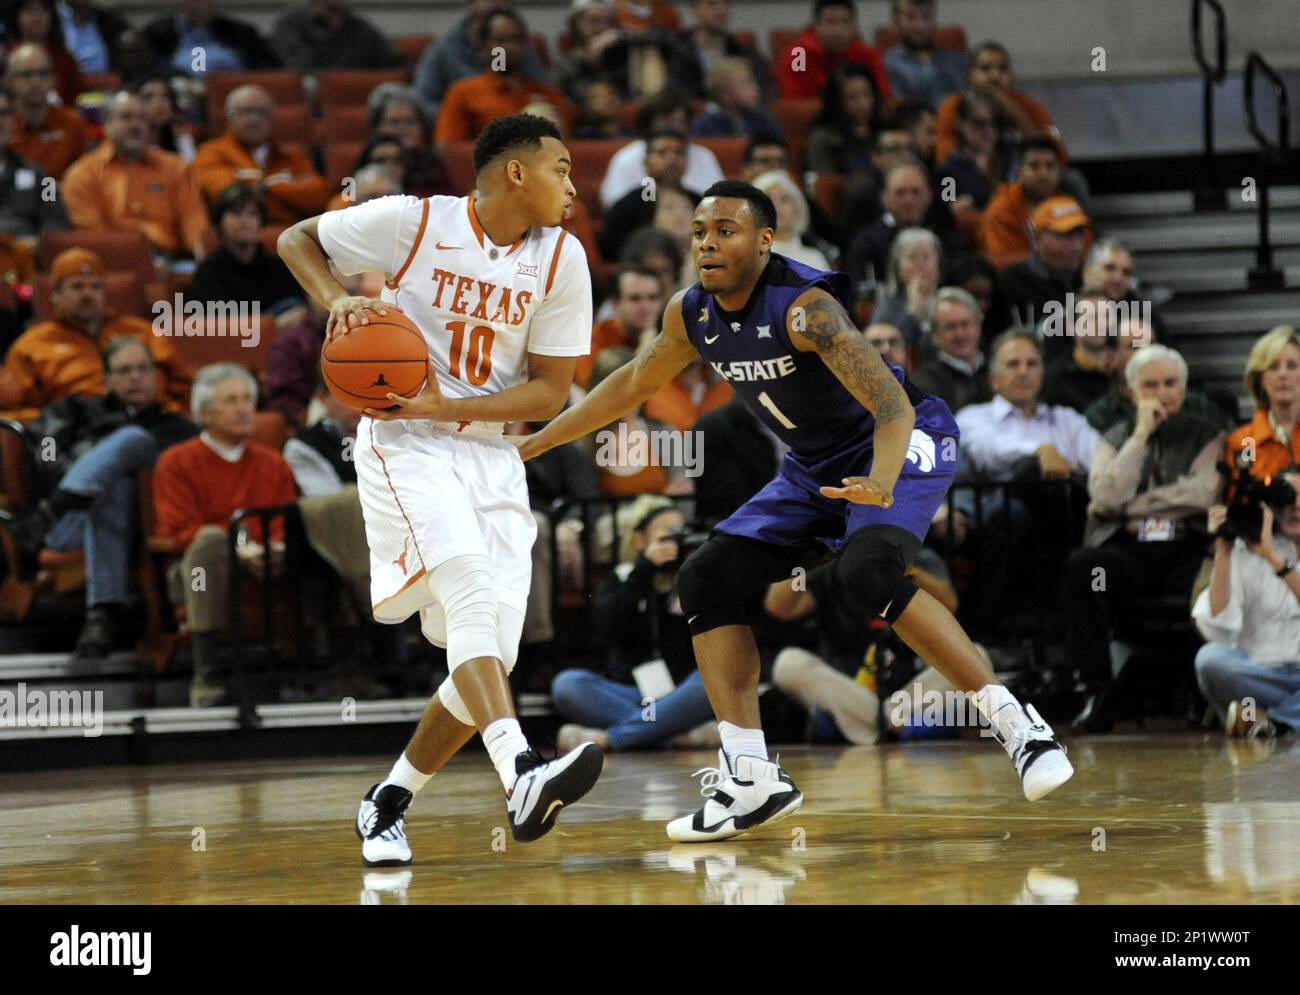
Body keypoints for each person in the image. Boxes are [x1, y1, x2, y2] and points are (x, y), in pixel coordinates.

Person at [514, 179, 1073, 842]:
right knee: (705, 578)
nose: (707, 243)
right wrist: (534, 442)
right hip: (814, 465)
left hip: (904, 437)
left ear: (764, 241)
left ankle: (1019, 725)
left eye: (725, 230)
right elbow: (632, 383)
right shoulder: (689, 313)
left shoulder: (807, 311)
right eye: (698, 232)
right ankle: (750, 775)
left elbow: (891, 409)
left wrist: (879, 482)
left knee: (868, 570)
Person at [277, 114, 605, 861]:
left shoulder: (563, 259)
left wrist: (449, 405)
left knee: (490, 649)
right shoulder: (413, 222)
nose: (572, 186)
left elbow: (550, 393)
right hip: (404, 439)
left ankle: (387, 800)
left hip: (490, 453)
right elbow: (294, 238)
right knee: (461, 578)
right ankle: (521, 770)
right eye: (561, 169)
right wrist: (339, 301)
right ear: (515, 172)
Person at [0, 337, 198, 655]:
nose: (135, 377)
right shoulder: (75, 410)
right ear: (106, 380)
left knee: (127, 460)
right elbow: (43, 451)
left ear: (157, 376)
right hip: (71, 524)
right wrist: (75, 472)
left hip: (144, 527)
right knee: (123, 461)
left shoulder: (180, 429)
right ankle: (100, 615)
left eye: (143, 369)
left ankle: (101, 618)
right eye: (124, 370)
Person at [1066, 344, 1223, 732]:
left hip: (1187, 546)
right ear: (1132, 391)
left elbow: (1203, 494)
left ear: (1184, 389)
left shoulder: (1207, 435)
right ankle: (1097, 691)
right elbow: (1103, 497)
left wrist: (1129, 504)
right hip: (1127, 551)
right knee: (1084, 568)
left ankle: (1201, 694)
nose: (1161, 392)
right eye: (1150, 384)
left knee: (1216, 573)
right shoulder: (1114, 437)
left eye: (1170, 383)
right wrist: (1139, 435)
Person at [152, 363, 298, 706]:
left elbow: (286, 518)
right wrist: (241, 544)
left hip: (264, 563)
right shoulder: (176, 461)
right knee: (208, 540)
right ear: (205, 412)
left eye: (248, 399)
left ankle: (334, 667)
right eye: (231, 400)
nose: (244, 407)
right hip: (197, 569)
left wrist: (273, 547)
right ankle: (207, 671)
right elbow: (178, 529)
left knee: (317, 529)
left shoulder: (273, 462)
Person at [551, 502, 716, 752]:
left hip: (679, 695)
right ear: (640, 540)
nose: (673, 545)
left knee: (711, 680)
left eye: (680, 537)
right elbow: (607, 626)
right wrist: (645, 569)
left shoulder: (695, 579)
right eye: (666, 537)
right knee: (567, 684)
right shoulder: (623, 576)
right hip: (629, 692)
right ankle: (668, 735)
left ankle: (613, 738)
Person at [0, 248, 191, 421]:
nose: (87, 294)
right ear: (55, 295)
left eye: (95, 287)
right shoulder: (32, 345)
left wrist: (179, 415)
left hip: (154, 422)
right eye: (77, 287)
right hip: (81, 434)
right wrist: (55, 420)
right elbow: (12, 411)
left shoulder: (142, 331)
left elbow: (186, 388)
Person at [1194, 470, 1300, 739]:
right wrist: (1222, 551)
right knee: (1210, 659)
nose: (1296, 507)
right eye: (1288, 499)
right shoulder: (1245, 549)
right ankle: (1286, 716)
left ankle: (1271, 720)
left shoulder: (1268, 553)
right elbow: (1216, 626)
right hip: (1258, 675)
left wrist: (1273, 559)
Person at [61, 91, 210, 263]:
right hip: (111, 264)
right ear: (106, 124)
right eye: (126, 117)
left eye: (142, 118)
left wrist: (204, 262)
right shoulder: (82, 174)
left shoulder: (177, 168)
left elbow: (194, 225)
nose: (135, 125)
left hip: (171, 262)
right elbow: (92, 236)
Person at [956, 331, 1097, 482]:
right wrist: (1039, 451)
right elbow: (987, 451)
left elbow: (1098, 457)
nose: (1023, 372)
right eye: (1013, 364)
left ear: (1041, 376)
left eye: (1032, 364)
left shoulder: (1066, 420)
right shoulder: (972, 417)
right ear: (993, 380)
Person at [192, 85, 332, 227]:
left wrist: (263, 185)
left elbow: (320, 197)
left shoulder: (293, 158)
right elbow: (230, 196)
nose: (254, 119)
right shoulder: (210, 152)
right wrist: (285, 188)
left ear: (273, 118)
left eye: (262, 112)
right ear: (230, 116)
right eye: (246, 111)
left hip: (288, 237)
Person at [434, 10, 573, 145]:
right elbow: (448, 149)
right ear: (483, 46)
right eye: (500, 40)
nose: (509, 47)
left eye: (516, 39)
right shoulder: (463, 93)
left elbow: (571, 150)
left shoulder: (547, 94)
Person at [411, 0, 547, 119]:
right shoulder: (443, 50)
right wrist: (462, 115)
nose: (497, 3)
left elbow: (539, 90)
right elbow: (423, 103)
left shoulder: (517, 48)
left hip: (513, 127)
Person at [599, 91, 725, 209]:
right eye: (667, 121)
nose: (675, 127)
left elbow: (718, 203)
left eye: (680, 121)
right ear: (649, 123)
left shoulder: (703, 156)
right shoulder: (626, 158)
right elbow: (614, 205)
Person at [188, 183, 303, 311]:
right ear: (220, 221)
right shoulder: (209, 272)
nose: (245, 221)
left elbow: (300, 308)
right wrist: (272, 325)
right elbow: (218, 323)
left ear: (261, 221)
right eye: (236, 213)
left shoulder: (278, 266)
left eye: (253, 214)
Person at [598, 131, 700, 261]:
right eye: (661, 152)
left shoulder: (699, 201)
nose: (671, 159)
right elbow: (610, 249)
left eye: (679, 153)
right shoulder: (627, 206)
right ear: (646, 162)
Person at [980, 137, 1072, 266]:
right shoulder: (1001, 208)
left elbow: (1083, 250)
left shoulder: (1068, 206)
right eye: (1034, 166)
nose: (1043, 174)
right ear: (1019, 171)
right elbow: (1000, 260)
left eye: (1050, 166)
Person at [1224, 326, 1300, 482]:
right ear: (1260, 379)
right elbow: (1241, 496)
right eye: (1273, 367)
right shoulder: (1246, 441)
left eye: (1292, 366)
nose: (1283, 374)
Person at [6, 43, 89, 180]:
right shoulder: (4, 124)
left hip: (58, 196)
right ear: (9, 80)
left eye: (43, 74)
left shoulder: (72, 123)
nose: (36, 82)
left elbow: (84, 177)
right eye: (27, 75)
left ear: (53, 78)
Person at [776, 0, 890, 101]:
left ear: (854, 26)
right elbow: (793, 105)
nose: (838, 31)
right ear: (816, 26)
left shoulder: (867, 55)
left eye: (845, 22)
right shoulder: (798, 56)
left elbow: (883, 96)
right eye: (830, 22)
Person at [576, 264, 665, 388]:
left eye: (652, 297)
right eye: (635, 298)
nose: (645, 307)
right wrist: (645, 353)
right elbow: (593, 392)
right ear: (615, 303)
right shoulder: (594, 340)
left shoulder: (672, 335)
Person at [140, 0, 279, 76]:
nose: (196, 4)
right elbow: (151, 68)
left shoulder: (241, 32)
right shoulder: (157, 33)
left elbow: (267, 65)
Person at [909, 287, 991, 411]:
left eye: (965, 324)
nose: (960, 334)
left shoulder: (1002, 368)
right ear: (935, 335)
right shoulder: (923, 384)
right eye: (950, 327)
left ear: (978, 326)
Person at [271, 0, 403, 71]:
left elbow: (394, 61)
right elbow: (300, 68)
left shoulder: (361, 27)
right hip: (311, 100)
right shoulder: (290, 24)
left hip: (353, 97)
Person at [869, 226, 941, 354]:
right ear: (898, 268)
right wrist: (913, 311)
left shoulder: (949, 302)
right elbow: (892, 351)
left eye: (927, 257)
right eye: (912, 258)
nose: (921, 264)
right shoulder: (886, 309)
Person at [883, 0, 965, 110]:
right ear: (896, 22)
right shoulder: (888, 65)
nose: (919, 26)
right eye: (910, 17)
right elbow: (899, 111)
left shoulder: (956, 59)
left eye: (926, 17)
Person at [749, 169, 831, 270]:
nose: (777, 207)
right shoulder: (748, 259)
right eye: (769, 200)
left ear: (797, 209)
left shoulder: (815, 258)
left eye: (784, 199)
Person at [6, 0, 84, 105]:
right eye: (29, 10)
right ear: (16, 16)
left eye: (43, 10)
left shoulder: (64, 58)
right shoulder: (6, 55)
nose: (37, 16)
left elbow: (76, 99)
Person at [690, 58, 782, 139]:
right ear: (725, 95)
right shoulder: (703, 126)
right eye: (746, 83)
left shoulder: (763, 118)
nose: (756, 88)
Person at [135, 76, 197, 162]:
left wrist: (184, 140)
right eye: (149, 97)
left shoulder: (180, 135)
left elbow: (190, 170)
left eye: (165, 96)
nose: (159, 103)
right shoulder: (129, 143)